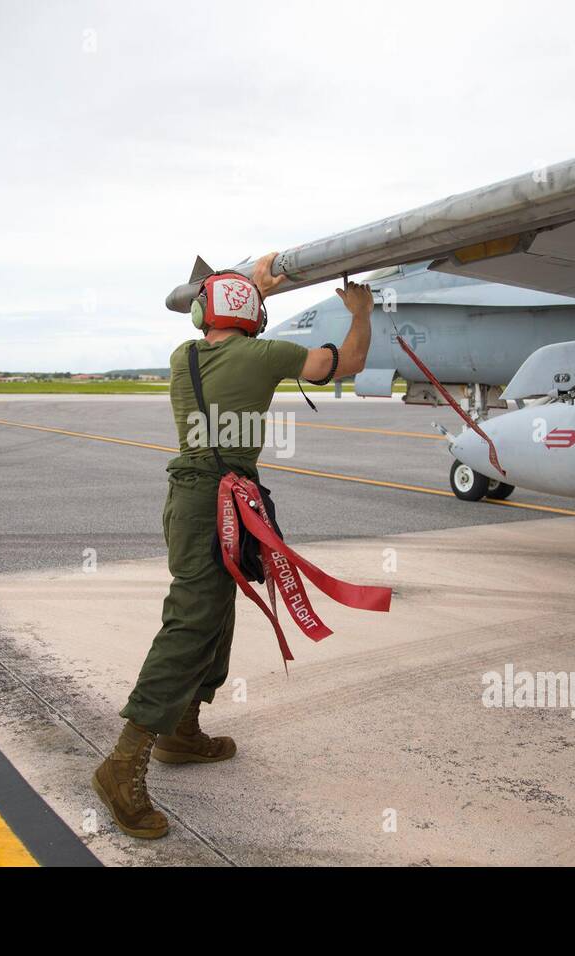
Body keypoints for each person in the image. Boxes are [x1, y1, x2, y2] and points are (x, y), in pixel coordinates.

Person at [91, 252, 374, 839]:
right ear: (254, 316)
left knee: (215, 610)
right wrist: (361, 312)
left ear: (202, 312)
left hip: (196, 495)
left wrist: (249, 284)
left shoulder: (184, 355)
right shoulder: (264, 354)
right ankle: (124, 760)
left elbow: (226, 310)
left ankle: (181, 731)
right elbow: (347, 362)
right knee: (193, 620)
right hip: (216, 499)